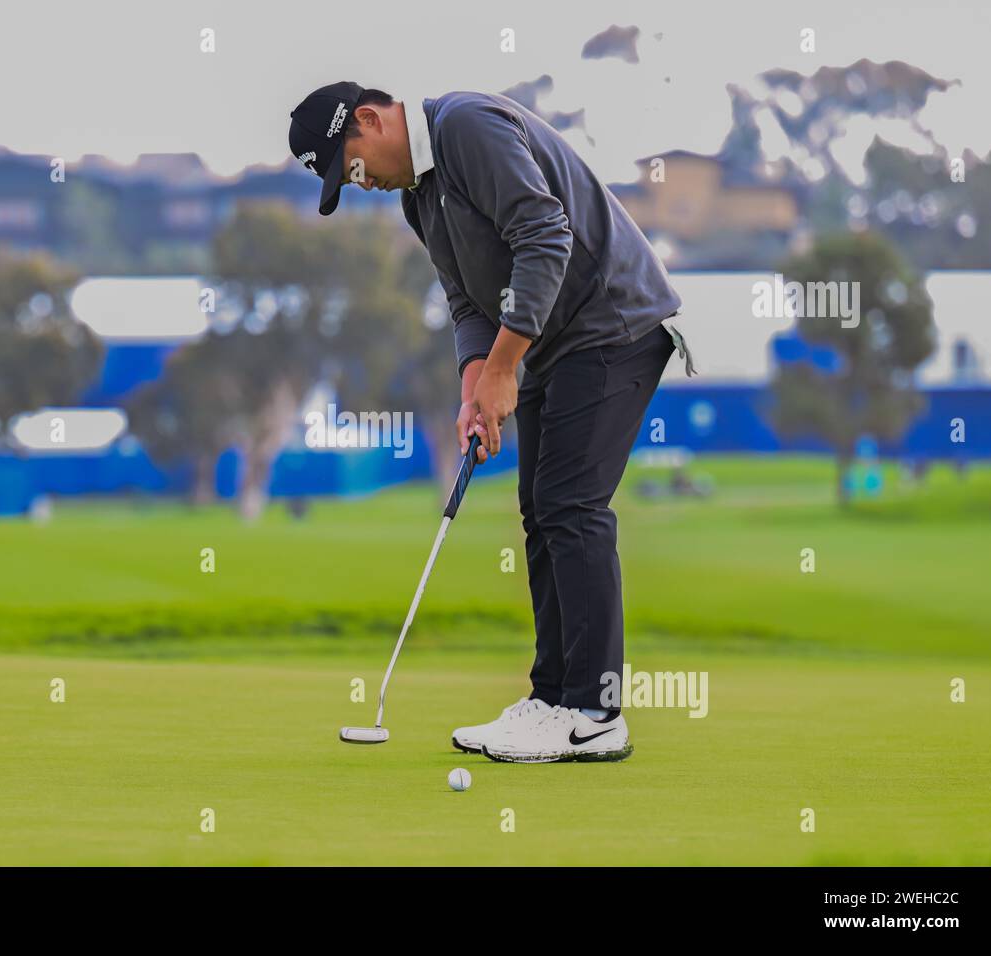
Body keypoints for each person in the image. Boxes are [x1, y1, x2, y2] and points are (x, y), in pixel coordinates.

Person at [288, 82, 695, 763]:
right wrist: (475, 383)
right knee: (541, 508)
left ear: (368, 119)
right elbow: (466, 297)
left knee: (571, 506)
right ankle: (552, 698)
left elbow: (545, 234)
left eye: (350, 167)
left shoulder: (466, 127)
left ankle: (595, 713)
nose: (357, 184)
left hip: (614, 325)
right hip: (554, 342)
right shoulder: (419, 196)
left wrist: (507, 368)